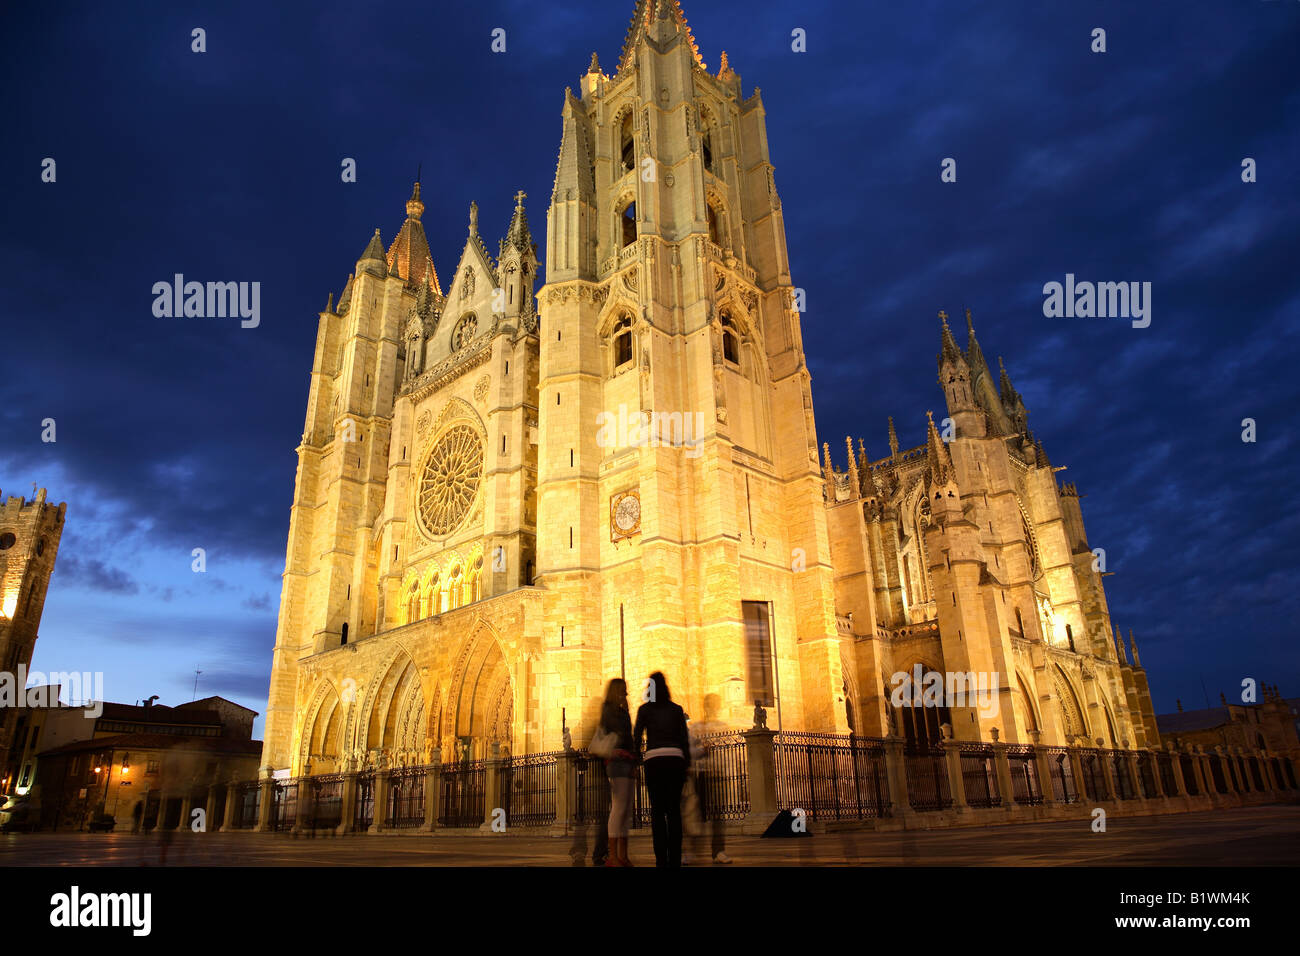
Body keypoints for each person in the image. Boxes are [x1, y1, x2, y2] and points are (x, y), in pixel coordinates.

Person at [633, 671, 691, 867]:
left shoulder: (645, 710)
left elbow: (637, 736)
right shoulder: (676, 710)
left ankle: (661, 860)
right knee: (674, 811)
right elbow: (684, 739)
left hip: (654, 760)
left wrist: (636, 760)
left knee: (657, 811)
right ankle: (674, 859)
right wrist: (687, 764)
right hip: (675, 759)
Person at [689, 693, 732, 864]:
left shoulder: (722, 726)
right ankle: (693, 850)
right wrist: (700, 751)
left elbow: (728, 752)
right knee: (695, 816)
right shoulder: (696, 728)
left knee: (718, 817)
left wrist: (726, 770)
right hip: (700, 775)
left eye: (714, 704)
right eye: (709, 704)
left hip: (717, 776)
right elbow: (688, 752)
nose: (711, 707)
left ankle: (718, 850)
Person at [600, 678, 636, 867]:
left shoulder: (623, 711)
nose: (626, 693)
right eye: (623, 690)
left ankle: (623, 854)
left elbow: (628, 736)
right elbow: (616, 734)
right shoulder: (609, 710)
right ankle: (613, 855)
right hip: (616, 762)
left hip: (628, 761)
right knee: (618, 808)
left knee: (626, 811)